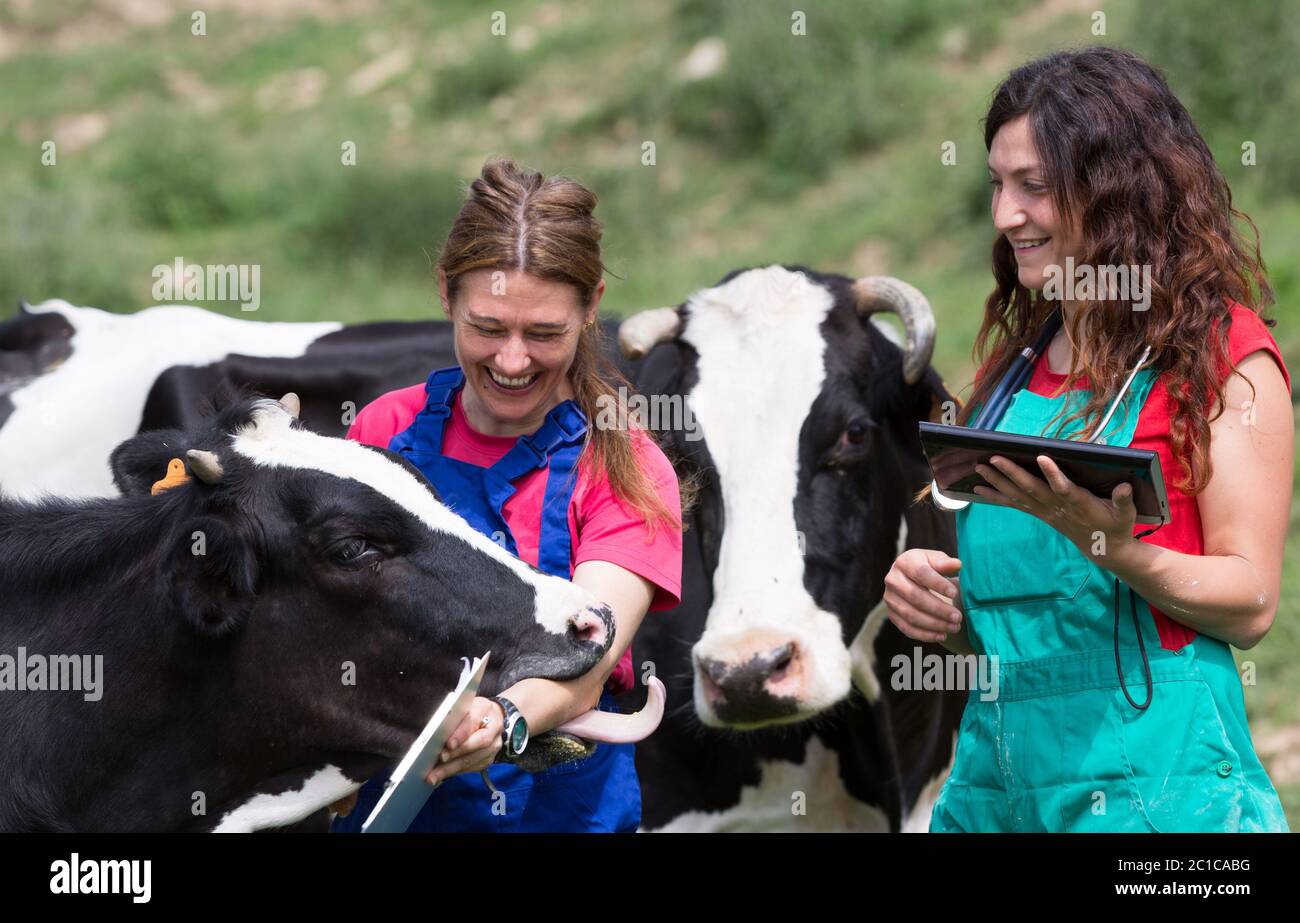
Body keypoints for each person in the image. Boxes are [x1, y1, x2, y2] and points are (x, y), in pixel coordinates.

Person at [885, 47, 1291, 832]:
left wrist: (1119, 549)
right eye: (998, 185)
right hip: (996, 787)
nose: (1005, 215)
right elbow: (1026, 613)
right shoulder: (1008, 378)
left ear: (1117, 191)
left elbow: (1252, 603)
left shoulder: (1220, 358)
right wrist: (939, 589)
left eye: (1034, 186)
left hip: (1162, 791)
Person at [330, 158, 683, 832]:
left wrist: (504, 716)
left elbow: (591, 655)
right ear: (445, 294)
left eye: (545, 333)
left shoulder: (625, 463)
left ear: (591, 307)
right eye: (488, 327)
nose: (512, 360)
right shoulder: (382, 430)